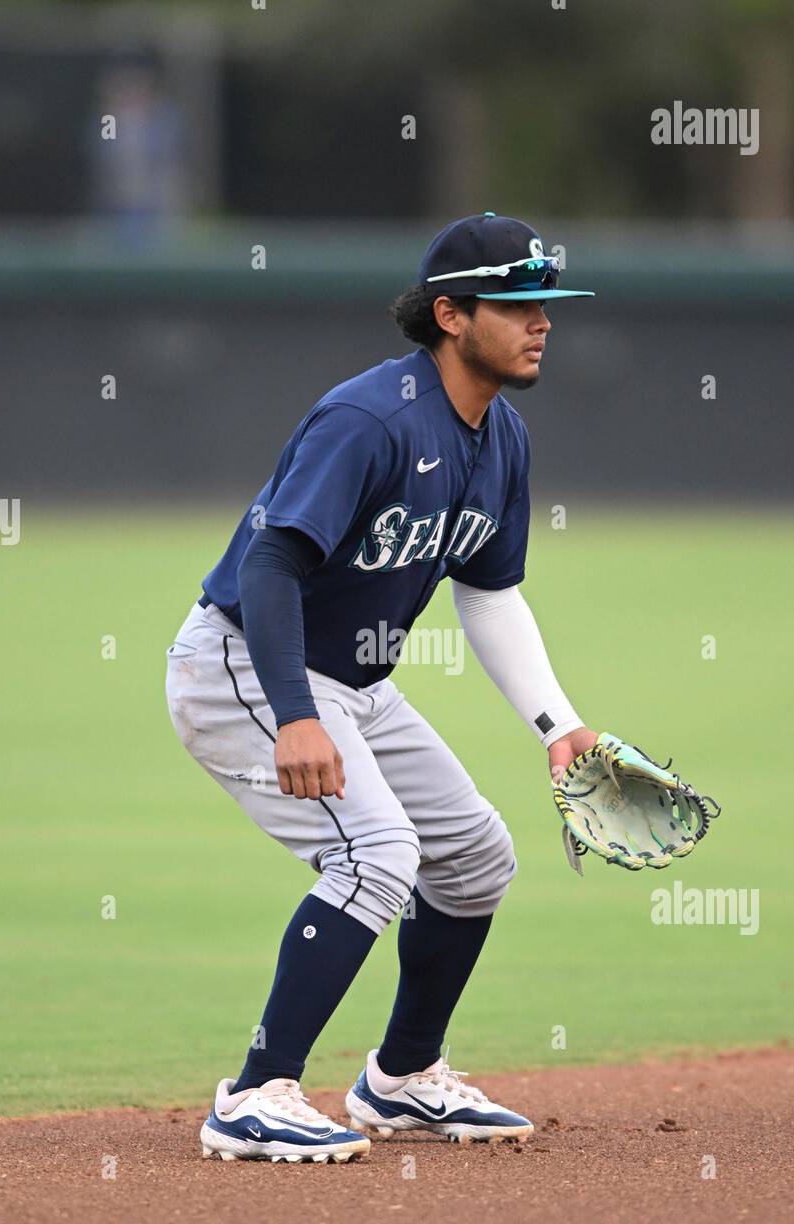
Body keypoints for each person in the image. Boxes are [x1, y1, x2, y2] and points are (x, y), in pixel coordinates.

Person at [165, 212, 598, 1163]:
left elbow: (489, 595)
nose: (542, 322)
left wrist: (558, 727)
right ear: (451, 314)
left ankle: (400, 1081)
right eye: (518, 304)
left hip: (350, 680)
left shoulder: (503, 438)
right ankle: (253, 1093)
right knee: (378, 851)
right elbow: (272, 565)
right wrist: (295, 717)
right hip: (242, 661)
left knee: (476, 855)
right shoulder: (373, 419)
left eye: (546, 304)